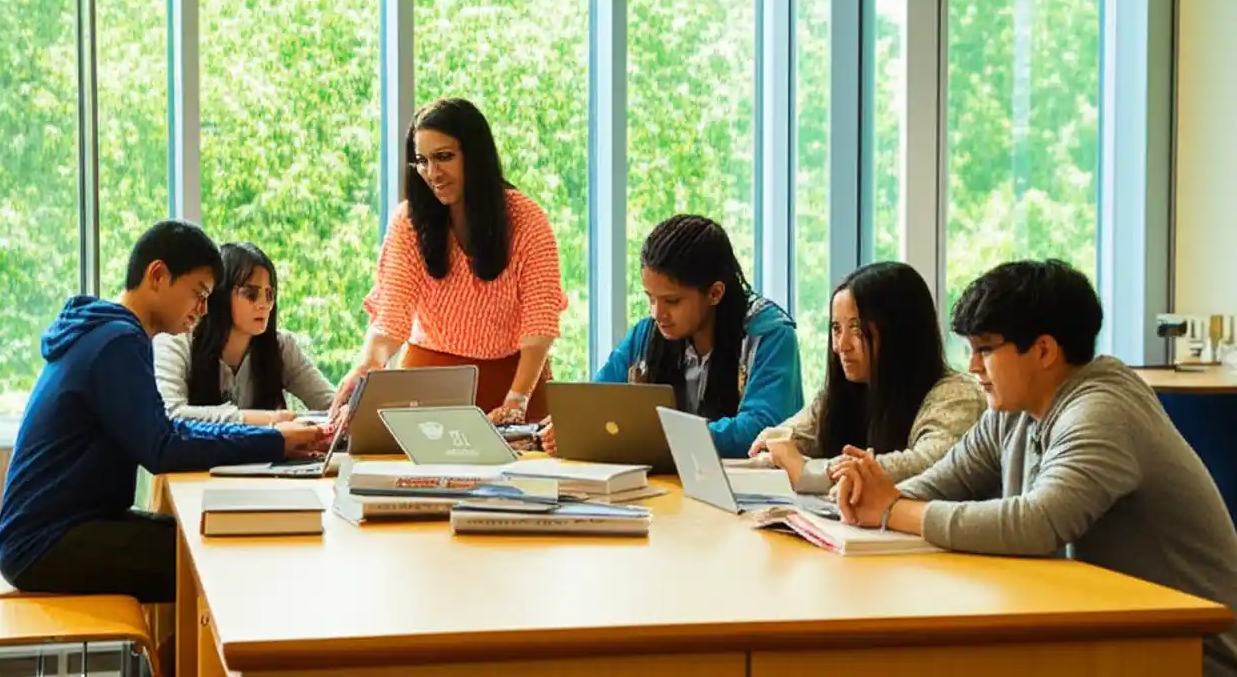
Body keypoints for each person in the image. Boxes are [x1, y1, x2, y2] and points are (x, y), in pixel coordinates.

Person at [828, 259, 1237, 675]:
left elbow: (1035, 523)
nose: (973, 368)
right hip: (1109, 636)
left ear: (1043, 350)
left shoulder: (1102, 411)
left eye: (985, 349)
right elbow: (948, 479)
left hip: (1188, 656)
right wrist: (869, 492)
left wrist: (890, 509)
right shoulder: (1014, 409)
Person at [0, 221, 328, 605]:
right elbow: (162, 448)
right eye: (198, 294)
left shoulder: (107, 332)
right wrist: (273, 441)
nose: (203, 309)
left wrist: (271, 440)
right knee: (222, 554)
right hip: (47, 542)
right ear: (158, 275)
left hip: (60, 530)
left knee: (210, 537)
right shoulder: (116, 341)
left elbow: (166, 430)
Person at [331, 98, 567, 426]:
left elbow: (540, 325)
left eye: (444, 157)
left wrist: (517, 399)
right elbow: (390, 321)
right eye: (422, 161)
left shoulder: (527, 220)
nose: (432, 173)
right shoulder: (408, 221)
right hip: (429, 386)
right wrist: (364, 368)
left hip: (516, 382)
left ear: (475, 155)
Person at [543, 214, 803, 458]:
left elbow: (759, 429)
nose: (657, 313)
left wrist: (660, 437)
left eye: (672, 301)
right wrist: (573, 426)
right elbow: (597, 400)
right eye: (651, 298)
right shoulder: (646, 335)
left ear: (715, 293)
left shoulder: (769, 335)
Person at [749, 262, 985, 493]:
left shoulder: (957, 395)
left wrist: (813, 472)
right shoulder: (849, 389)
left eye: (857, 330)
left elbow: (931, 465)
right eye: (836, 329)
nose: (841, 346)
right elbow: (786, 438)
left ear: (900, 333)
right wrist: (774, 449)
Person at [154, 241, 334, 424]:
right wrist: (266, 420)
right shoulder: (176, 342)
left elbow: (332, 406)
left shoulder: (281, 346)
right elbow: (170, 414)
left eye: (270, 295)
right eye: (251, 294)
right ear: (219, 295)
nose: (264, 304)